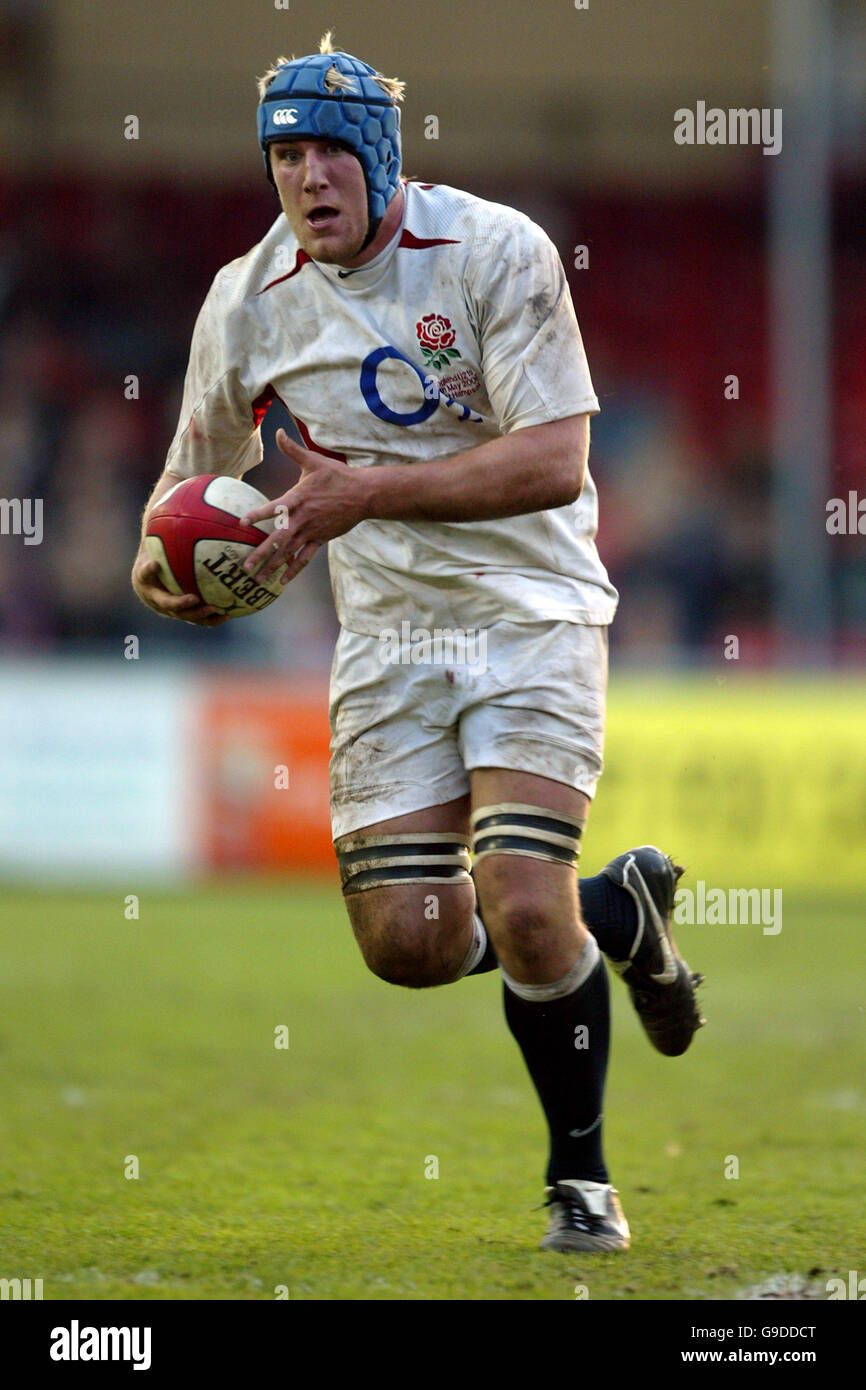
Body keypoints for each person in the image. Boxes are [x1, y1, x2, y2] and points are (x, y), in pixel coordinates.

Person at [131, 32, 704, 1252]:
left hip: (528, 613)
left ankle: (581, 1183)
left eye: (330, 149)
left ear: (380, 155)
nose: (306, 178)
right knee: (405, 943)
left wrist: (366, 494)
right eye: (283, 154)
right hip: (388, 640)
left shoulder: (494, 251)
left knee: (518, 901)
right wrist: (169, 568)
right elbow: (191, 477)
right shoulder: (246, 300)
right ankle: (617, 910)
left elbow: (557, 460)